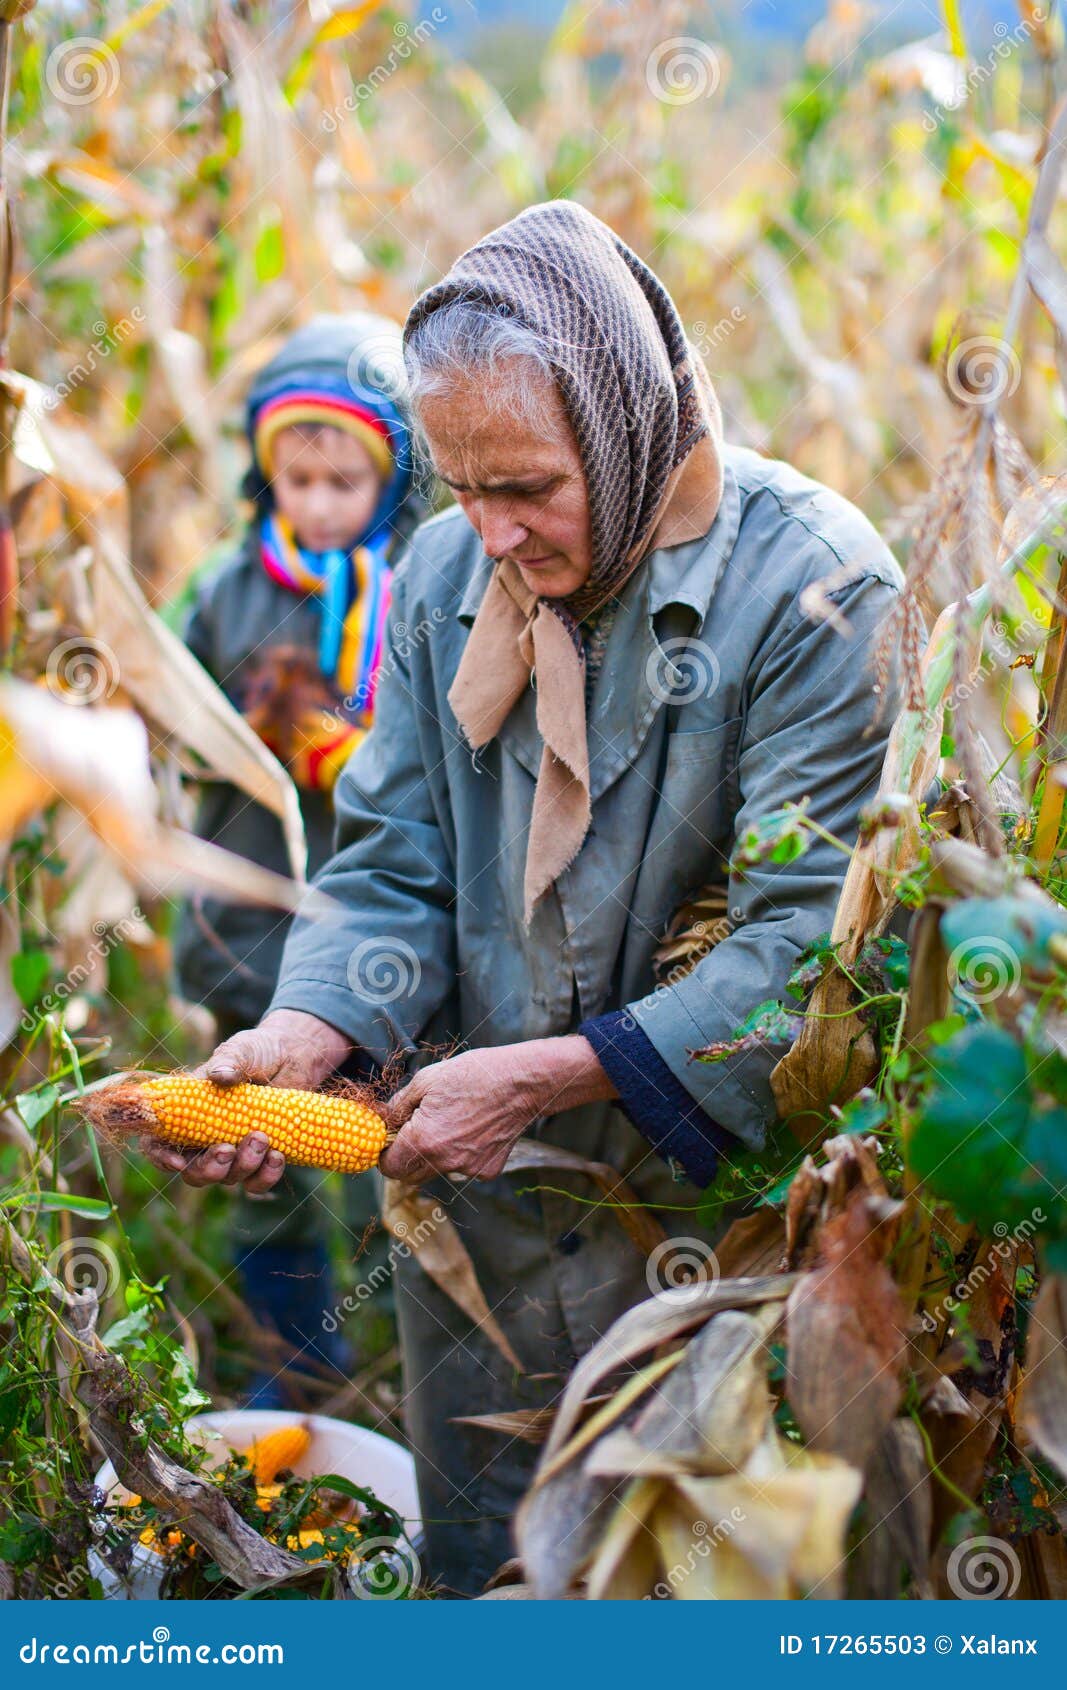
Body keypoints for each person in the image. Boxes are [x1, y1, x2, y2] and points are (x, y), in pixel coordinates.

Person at [145, 202, 903, 1590]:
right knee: (484, 1572)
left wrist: (546, 1075)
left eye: (526, 488)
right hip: (477, 1230)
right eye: (457, 485)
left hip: (700, 1237)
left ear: (620, 424)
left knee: (670, 1590)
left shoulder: (814, 588)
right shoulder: (439, 573)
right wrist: (309, 1030)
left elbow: (810, 949)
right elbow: (389, 855)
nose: (486, 532)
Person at [171, 313, 421, 1404]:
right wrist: (239, 722)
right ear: (265, 475)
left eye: (344, 480)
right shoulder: (229, 593)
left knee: (374, 1150)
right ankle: (289, 1355)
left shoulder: (418, 589)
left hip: (370, 951)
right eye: (296, 478)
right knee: (254, 1158)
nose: (317, 503)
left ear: (393, 479)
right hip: (251, 922)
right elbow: (172, 716)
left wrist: (345, 749)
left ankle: (388, 1352)